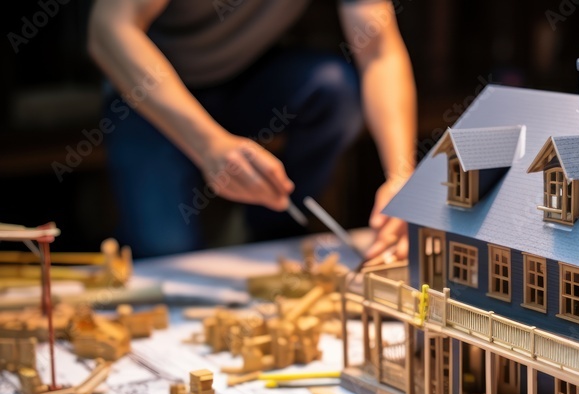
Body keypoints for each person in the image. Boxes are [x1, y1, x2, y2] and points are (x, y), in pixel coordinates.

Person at [87, 0, 414, 262]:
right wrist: (208, 144)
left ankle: (272, 228)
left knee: (333, 91)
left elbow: (379, 52)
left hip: (247, 77)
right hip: (148, 94)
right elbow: (108, 30)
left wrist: (401, 177)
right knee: (165, 252)